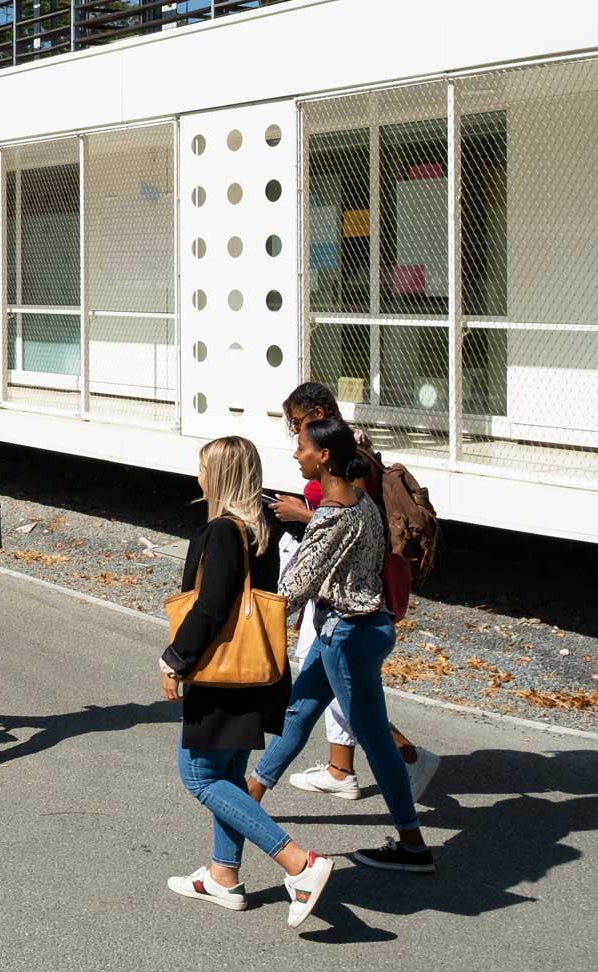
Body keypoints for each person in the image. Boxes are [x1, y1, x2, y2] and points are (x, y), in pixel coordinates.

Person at [158, 435, 334, 926]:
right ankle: (223, 875)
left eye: (202, 466)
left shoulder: (221, 532)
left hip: (220, 671)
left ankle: (299, 863)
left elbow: (211, 607)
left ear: (219, 475)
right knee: (230, 774)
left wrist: (175, 659)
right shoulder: (262, 530)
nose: (197, 474)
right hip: (255, 670)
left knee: (199, 775)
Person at [248, 416, 435, 874]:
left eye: (303, 447)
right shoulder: (361, 504)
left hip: (345, 635)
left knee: (374, 739)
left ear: (324, 456)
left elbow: (294, 587)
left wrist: (245, 618)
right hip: (358, 627)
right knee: (298, 712)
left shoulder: (331, 518)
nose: (297, 454)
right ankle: (247, 796)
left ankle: (412, 844)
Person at [271, 383, 438, 803]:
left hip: (347, 599)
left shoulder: (352, 461)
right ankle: (339, 769)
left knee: (350, 703)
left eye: (298, 424)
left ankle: (409, 762)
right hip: (341, 597)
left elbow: (353, 518)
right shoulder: (342, 449)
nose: (295, 438)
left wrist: (302, 515)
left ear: (321, 414)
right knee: (321, 699)